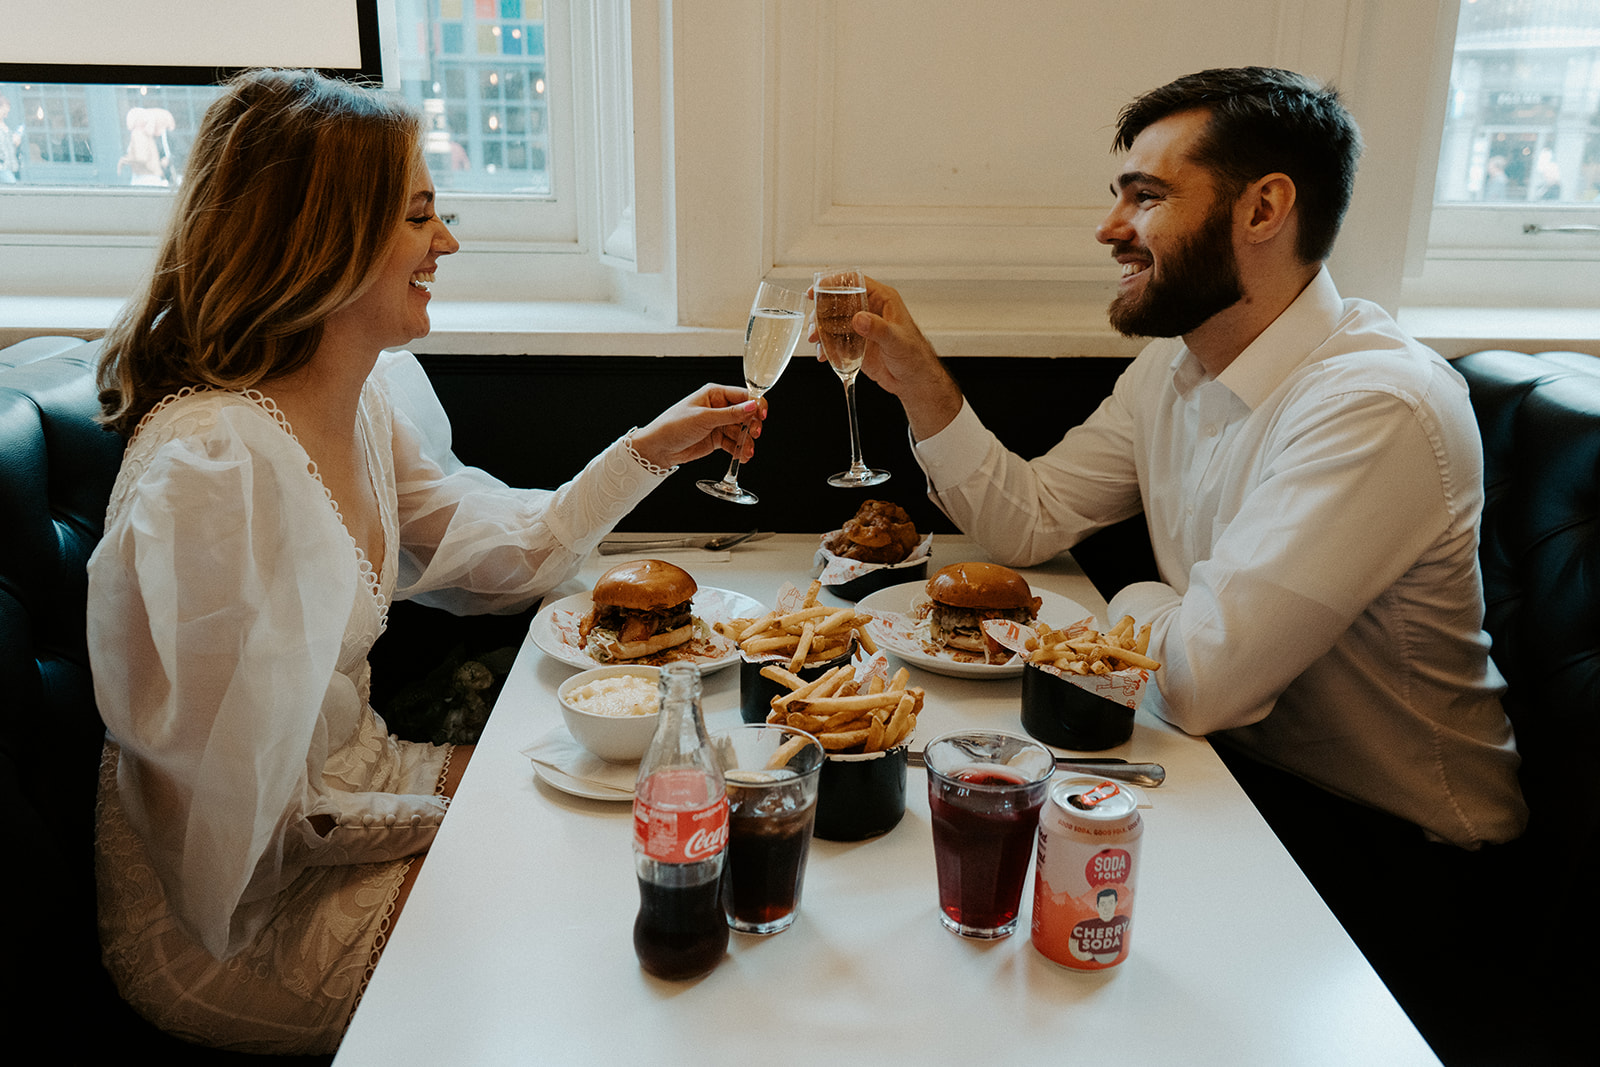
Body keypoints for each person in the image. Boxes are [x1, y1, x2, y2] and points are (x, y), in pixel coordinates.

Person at [835, 67, 1528, 1051]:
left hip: (1396, 860)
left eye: (1146, 194)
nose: (1110, 226)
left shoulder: (1375, 402)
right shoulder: (1178, 363)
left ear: (1264, 207)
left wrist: (1148, 597)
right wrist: (914, 374)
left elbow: (1200, 683)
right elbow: (1031, 520)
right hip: (1230, 782)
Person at [88, 69, 765, 1055]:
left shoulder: (365, 397)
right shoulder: (213, 470)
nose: (446, 241)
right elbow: (238, 829)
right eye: (418, 215)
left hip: (359, 787)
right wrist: (480, 812)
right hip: (240, 913)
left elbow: (511, 552)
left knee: (663, 828)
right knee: (593, 932)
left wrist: (650, 448)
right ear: (326, 237)